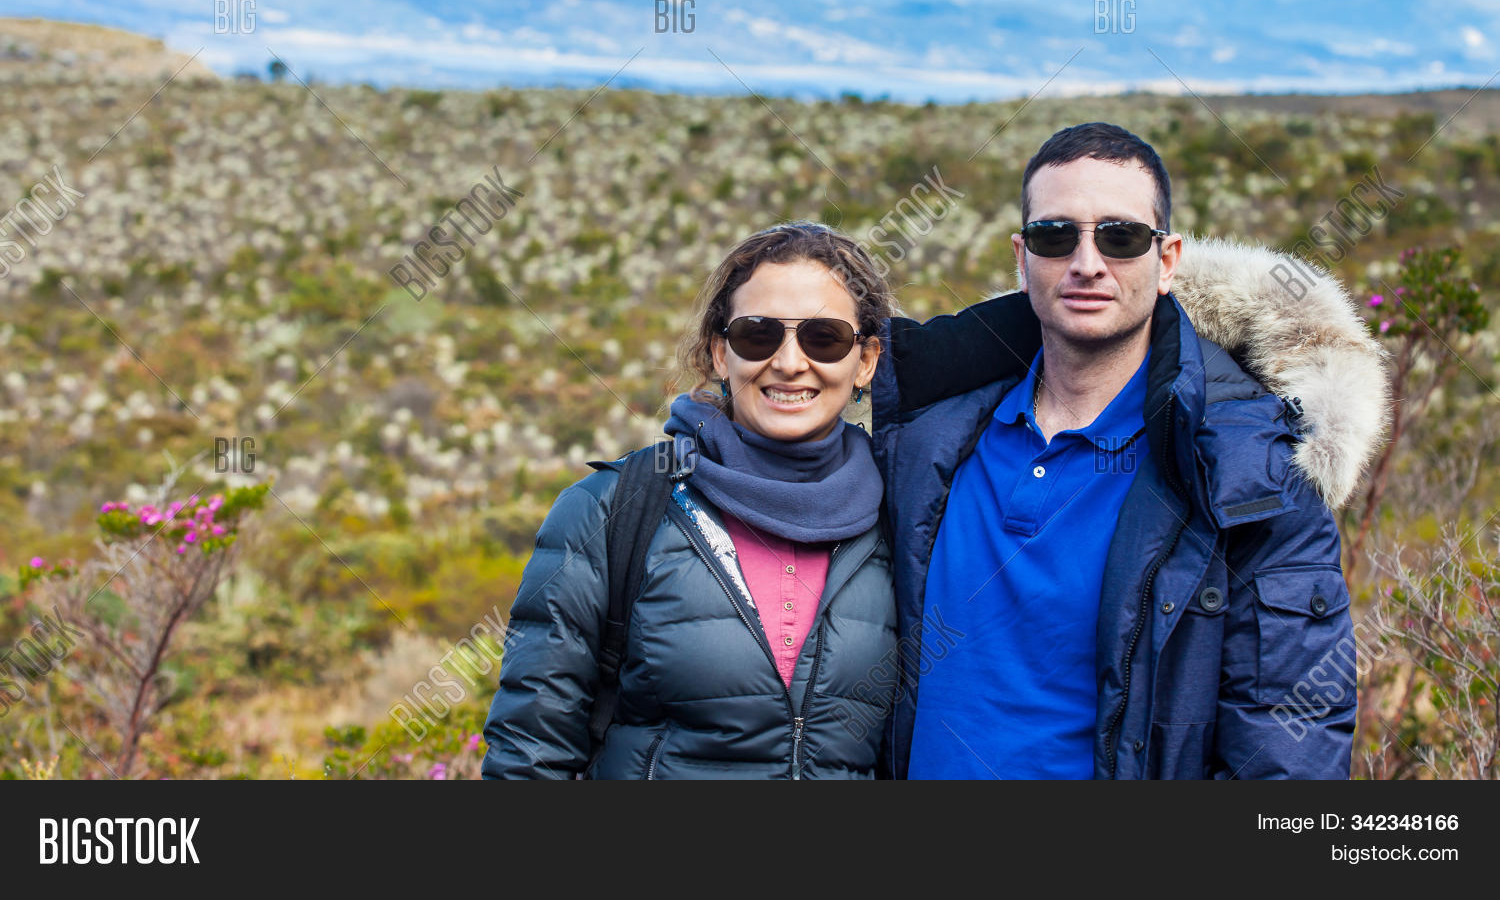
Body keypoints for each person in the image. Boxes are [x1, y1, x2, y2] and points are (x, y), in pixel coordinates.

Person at [871, 122, 1388, 779]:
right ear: (1021, 258)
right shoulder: (923, 443)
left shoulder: (1251, 479)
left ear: (1167, 260)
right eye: (1056, 236)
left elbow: (1287, 758)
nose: (1087, 263)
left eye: (1120, 238)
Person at [482, 222, 899, 778]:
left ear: (866, 361)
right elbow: (530, 751)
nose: (791, 362)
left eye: (824, 337)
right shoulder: (613, 509)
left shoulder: (906, 512)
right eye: (758, 335)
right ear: (721, 354)